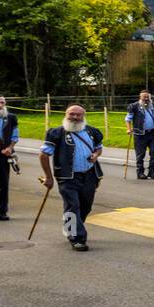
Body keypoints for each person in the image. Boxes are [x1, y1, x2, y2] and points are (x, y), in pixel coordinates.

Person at [39, 105, 104, 252]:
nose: (75, 117)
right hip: (67, 177)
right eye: (72, 114)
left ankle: (70, 227)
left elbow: (99, 148)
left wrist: (96, 155)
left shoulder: (92, 131)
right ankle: (77, 238)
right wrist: (48, 177)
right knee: (72, 205)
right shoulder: (56, 133)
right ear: (66, 114)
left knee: (86, 206)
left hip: (90, 175)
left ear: (83, 116)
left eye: (78, 115)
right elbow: (44, 155)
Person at [125, 90, 154, 180]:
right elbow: (128, 119)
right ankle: (140, 172)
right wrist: (129, 129)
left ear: (150, 97)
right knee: (140, 154)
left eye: (147, 97)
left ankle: (152, 172)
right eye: (144, 97)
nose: (146, 99)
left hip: (153, 133)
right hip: (140, 134)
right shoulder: (134, 106)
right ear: (140, 97)